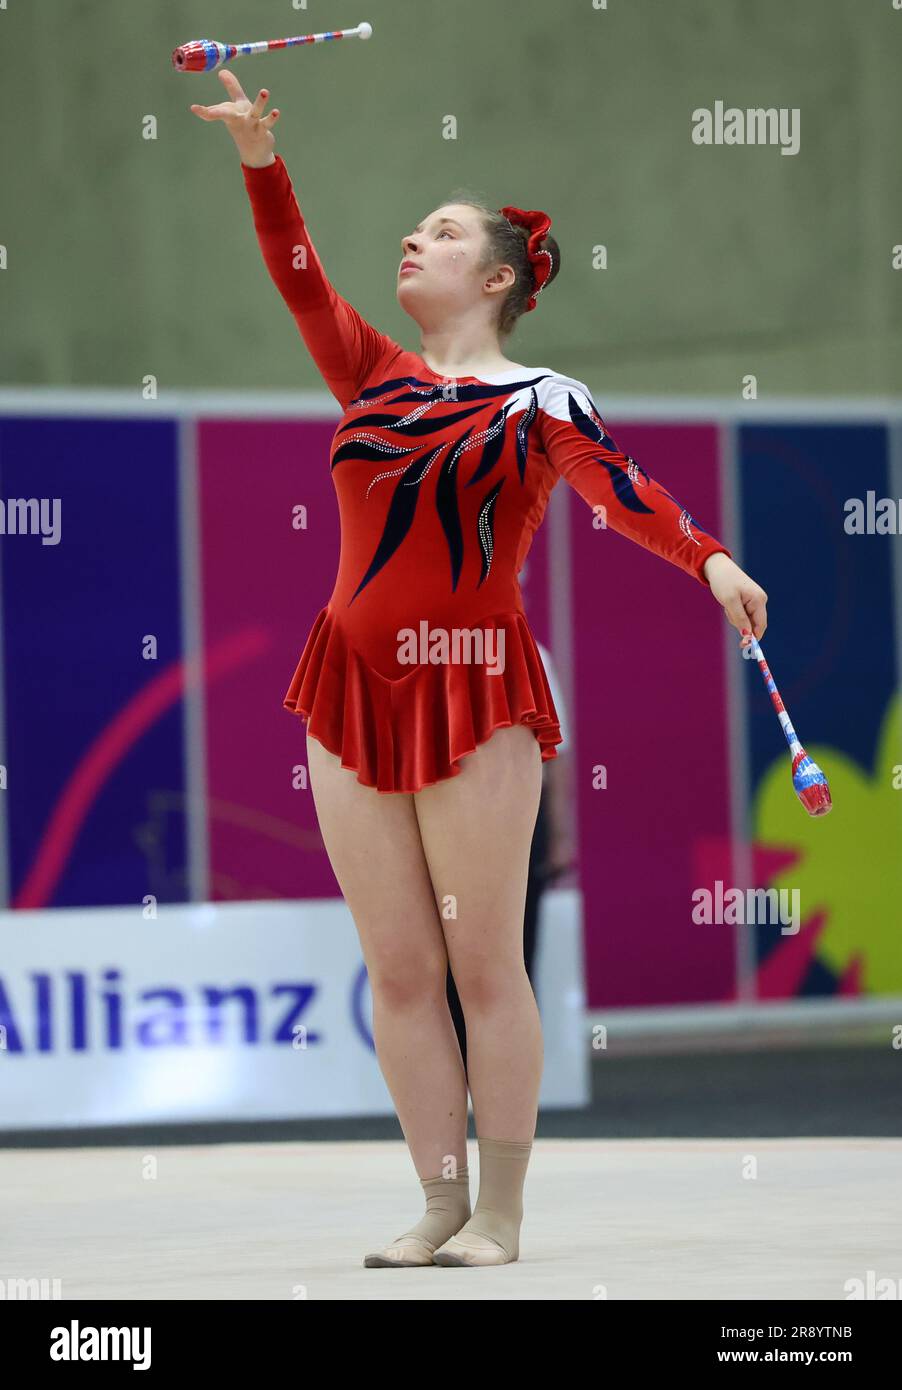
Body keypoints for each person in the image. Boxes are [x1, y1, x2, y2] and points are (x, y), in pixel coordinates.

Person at [190, 72, 768, 1268]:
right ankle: (439, 1201)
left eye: (442, 232)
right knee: (397, 971)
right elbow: (293, 265)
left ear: (497, 279)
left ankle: (501, 1214)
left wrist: (707, 561)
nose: (414, 237)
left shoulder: (539, 399)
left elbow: (623, 490)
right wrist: (258, 156)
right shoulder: (369, 372)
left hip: (472, 686)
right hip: (346, 683)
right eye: (413, 227)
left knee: (480, 963)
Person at [445, 638, 574, 1073]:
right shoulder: (426, 648)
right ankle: (457, 1079)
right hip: (447, 819)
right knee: (447, 962)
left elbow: (554, 754)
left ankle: (510, 1087)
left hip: (519, 822)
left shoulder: (533, 655)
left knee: (516, 957)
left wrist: (557, 834)